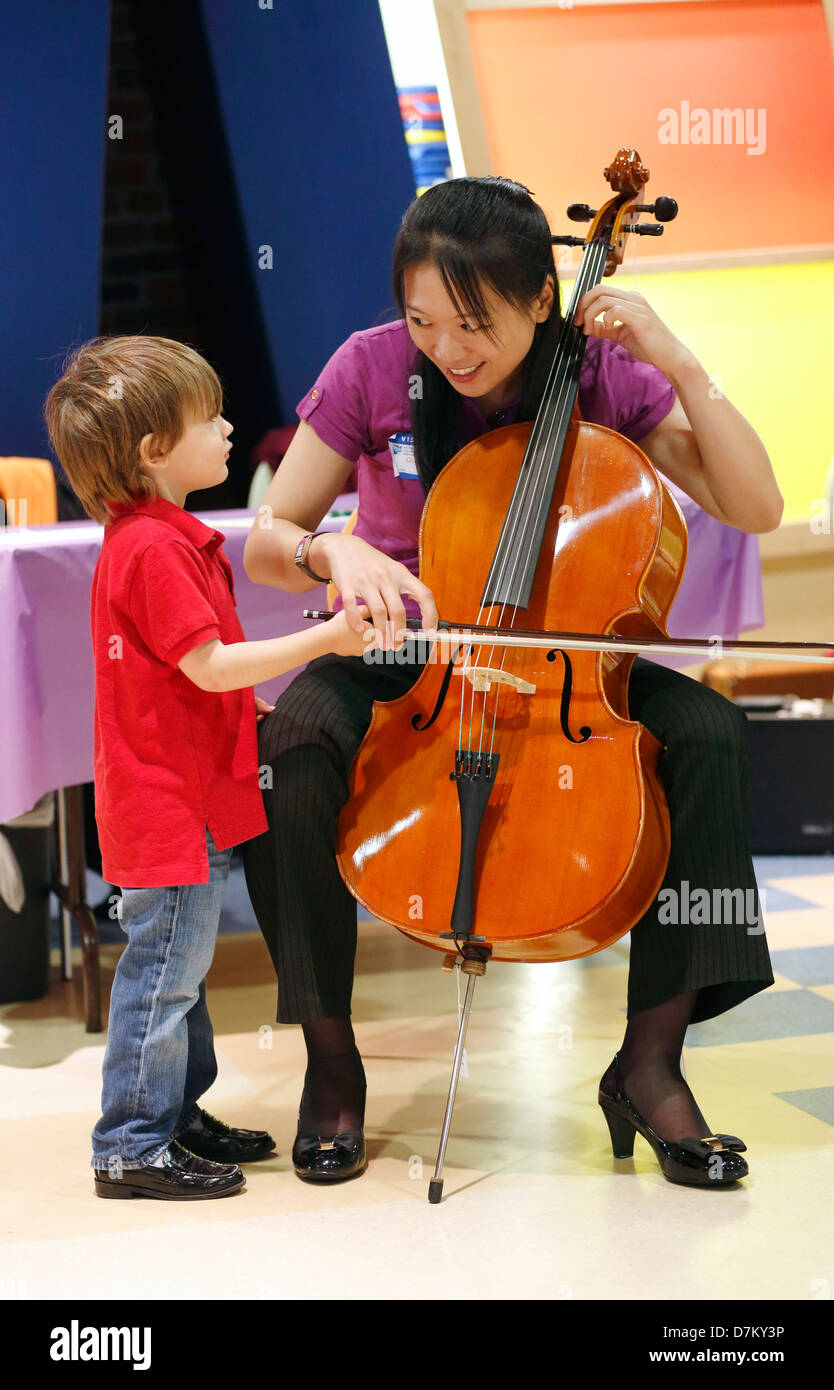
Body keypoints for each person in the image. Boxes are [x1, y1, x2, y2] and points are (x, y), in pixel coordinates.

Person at [242, 177, 783, 1189]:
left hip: (563, 656)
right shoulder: (369, 368)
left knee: (707, 732)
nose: (448, 348)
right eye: (424, 319)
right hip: (405, 645)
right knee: (294, 741)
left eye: (475, 322)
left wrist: (683, 363)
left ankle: (651, 1064)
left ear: (544, 297)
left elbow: (754, 504)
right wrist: (328, 556)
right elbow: (268, 542)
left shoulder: (605, 377)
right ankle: (330, 1057)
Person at [44, 336, 372, 1200]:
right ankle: (130, 1141)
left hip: (177, 796)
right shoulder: (152, 550)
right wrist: (331, 638)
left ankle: (177, 1113)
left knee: (179, 973)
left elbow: (181, 676)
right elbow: (213, 664)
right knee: (165, 973)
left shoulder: (158, 538)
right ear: (155, 450)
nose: (230, 429)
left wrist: (239, 709)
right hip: (167, 806)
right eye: (209, 418)